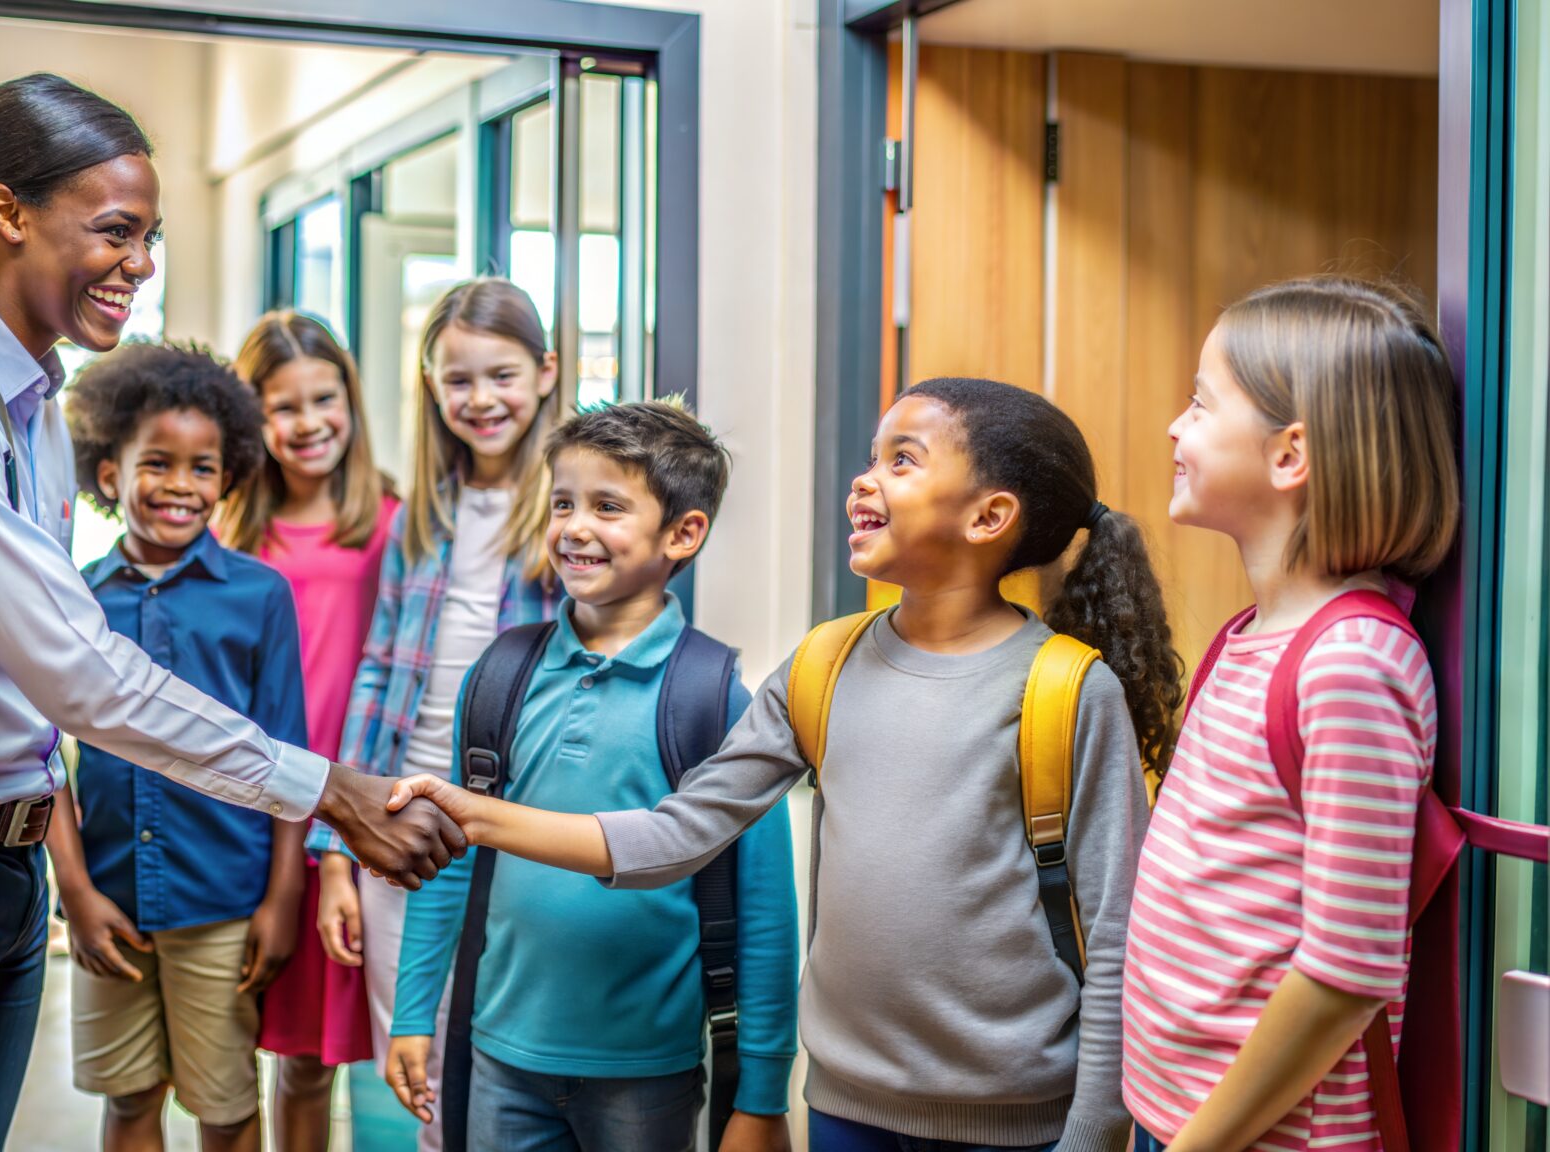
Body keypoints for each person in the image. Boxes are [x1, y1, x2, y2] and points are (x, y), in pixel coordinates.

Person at [0, 73, 460, 1152]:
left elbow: (14, 692)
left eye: (150, 237)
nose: (140, 263)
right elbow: (79, 675)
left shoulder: (30, 402)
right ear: (6, 213)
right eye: (115, 231)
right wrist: (328, 789)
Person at [392, 377, 1187, 1152]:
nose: (864, 478)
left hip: (1024, 1121)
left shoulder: (1069, 690)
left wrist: (1093, 1133)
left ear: (989, 516)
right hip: (846, 1108)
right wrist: (473, 813)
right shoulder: (823, 663)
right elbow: (680, 834)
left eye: (901, 460)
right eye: (872, 456)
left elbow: (1119, 936)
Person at [384, 400, 799, 1152]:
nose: (574, 526)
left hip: (649, 1070)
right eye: (564, 503)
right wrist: (415, 1013)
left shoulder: (712, 698)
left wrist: (762, 1093)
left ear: (683, 533)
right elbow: (447, 859)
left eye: (607, 507)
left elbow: (765, 910)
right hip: (500, 1051)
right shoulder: (502, 673)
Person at [1122, 277, 1457, 1152]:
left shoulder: (1351, 663)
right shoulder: (1247, 638)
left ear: (1290, 454)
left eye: (1200, 404)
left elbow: (1348, 972)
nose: (1175, 427)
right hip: (1181, 1117)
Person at [45, 342, 305, 1152]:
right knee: (127, 1103)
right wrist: (76, 893)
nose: (180, 486)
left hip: (224, 896)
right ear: (109, 473)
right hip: (112, 898)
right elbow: (41, 754)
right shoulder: (72, 598)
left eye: (202, 468)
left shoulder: (260, 596)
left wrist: (282, 897)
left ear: (227, 477)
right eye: (157, 463)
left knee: (226, 1107)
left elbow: (290, 753)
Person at [322, 278, 564, 1150]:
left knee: (500, 1054)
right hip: (403, 813)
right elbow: (378, 670)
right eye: (457, 380)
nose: (480, 399)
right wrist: (337, 857)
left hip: (517, 816)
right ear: (430, 385)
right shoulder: (421, 514)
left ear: (546, 372)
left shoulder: (570, 510)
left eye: (500, 375)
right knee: (417, 1052)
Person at [219, 310, 398, 1151]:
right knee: (250, 1054)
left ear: (351, 402)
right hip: (251, 816)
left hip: (356, 809)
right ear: (252, 417)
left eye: (324, 399)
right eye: (283, 406)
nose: (308, 423)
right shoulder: (228, 533)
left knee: (324, 1057)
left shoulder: (395, 525)